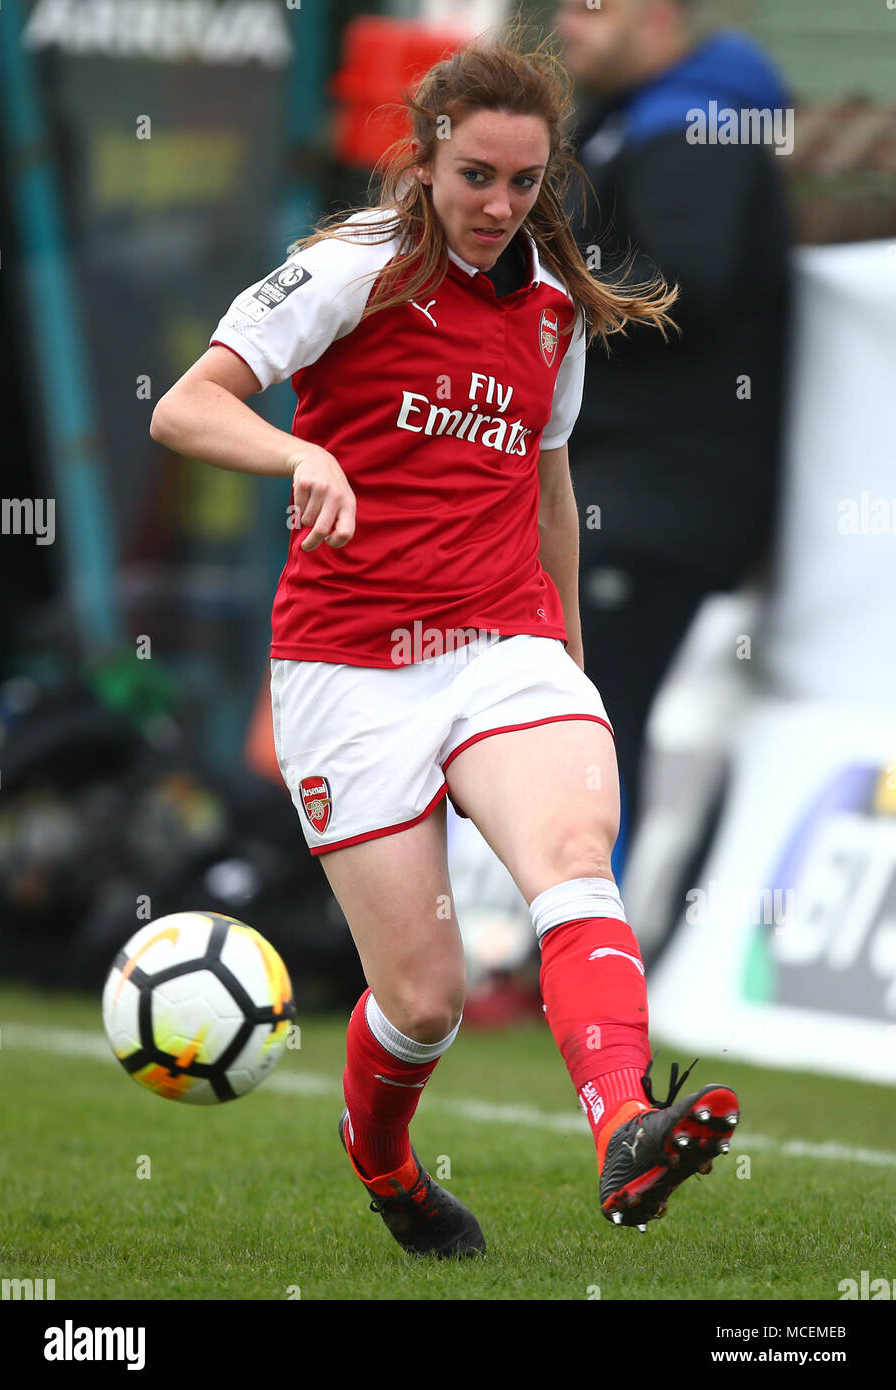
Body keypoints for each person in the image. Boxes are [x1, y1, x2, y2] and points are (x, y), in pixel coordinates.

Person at [150, 27, 739, 1258]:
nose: (499, 205)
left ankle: (624, 1126)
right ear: (425, 159)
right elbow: (184, 406)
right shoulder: (346, 268)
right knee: (422, 1000)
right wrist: (300, 450)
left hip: (497, 639)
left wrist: (566, 658)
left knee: (574, 855)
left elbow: (547, 489)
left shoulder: (550, 310)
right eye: (476, 176)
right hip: (347, 664)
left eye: (524, 183)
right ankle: (384, 1162)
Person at [555, 0, 791, 850]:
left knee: (594, 724)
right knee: (570, 725)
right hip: (612, 484)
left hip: (662, 495)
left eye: (591, 5)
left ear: (657, 13)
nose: (566, 21)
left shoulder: (696, 122)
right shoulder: (624, 122)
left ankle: (583, 961)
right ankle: (545, 950)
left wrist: (537, 287)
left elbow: (685, 282)